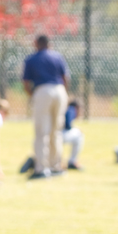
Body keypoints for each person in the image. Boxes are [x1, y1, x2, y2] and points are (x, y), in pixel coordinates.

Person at [21, 34, 69, 179]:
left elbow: (25, 83)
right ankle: (56, 166)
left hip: (43, 91)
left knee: (42, 131)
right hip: (60, 91)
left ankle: (41, 168)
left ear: (36, 44)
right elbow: (66, 78)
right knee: (56, 131)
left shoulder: (32, 59)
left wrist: (33, 95)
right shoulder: (57, 57)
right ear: (50, 44)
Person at [63, 97, 84, 171]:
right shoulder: (71, 110)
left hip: (54, 134)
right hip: (61, 134)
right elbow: (67, 124)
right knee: (79, 134)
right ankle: (72, 161)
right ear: (76, 107)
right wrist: (75, 128)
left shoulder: (67, 109)